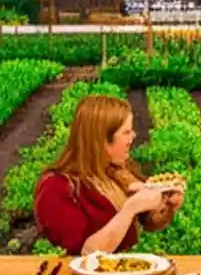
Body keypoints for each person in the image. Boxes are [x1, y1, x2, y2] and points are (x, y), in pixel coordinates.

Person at [34, 95, 184, 255]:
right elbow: (86, 254)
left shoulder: (116, 169)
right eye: (126, 132)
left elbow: (146, 219)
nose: (133, 137)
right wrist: (130, 208)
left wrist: (167, 205)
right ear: (101, 140)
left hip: (120, 271)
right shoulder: (57, 187)